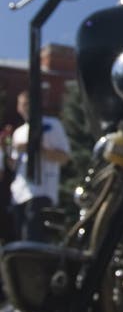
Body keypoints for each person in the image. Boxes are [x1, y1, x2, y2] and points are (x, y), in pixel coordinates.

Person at [10, 90, 70, 242]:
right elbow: (14, 165)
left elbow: (64, 157)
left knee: (33, 237)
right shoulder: (19, 132)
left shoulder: (52, 125)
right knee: (20, 238)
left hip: (42, 190)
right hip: (19, 193)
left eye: (29, 104)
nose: (26, 108)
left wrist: (36, 147)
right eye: (23, 104)